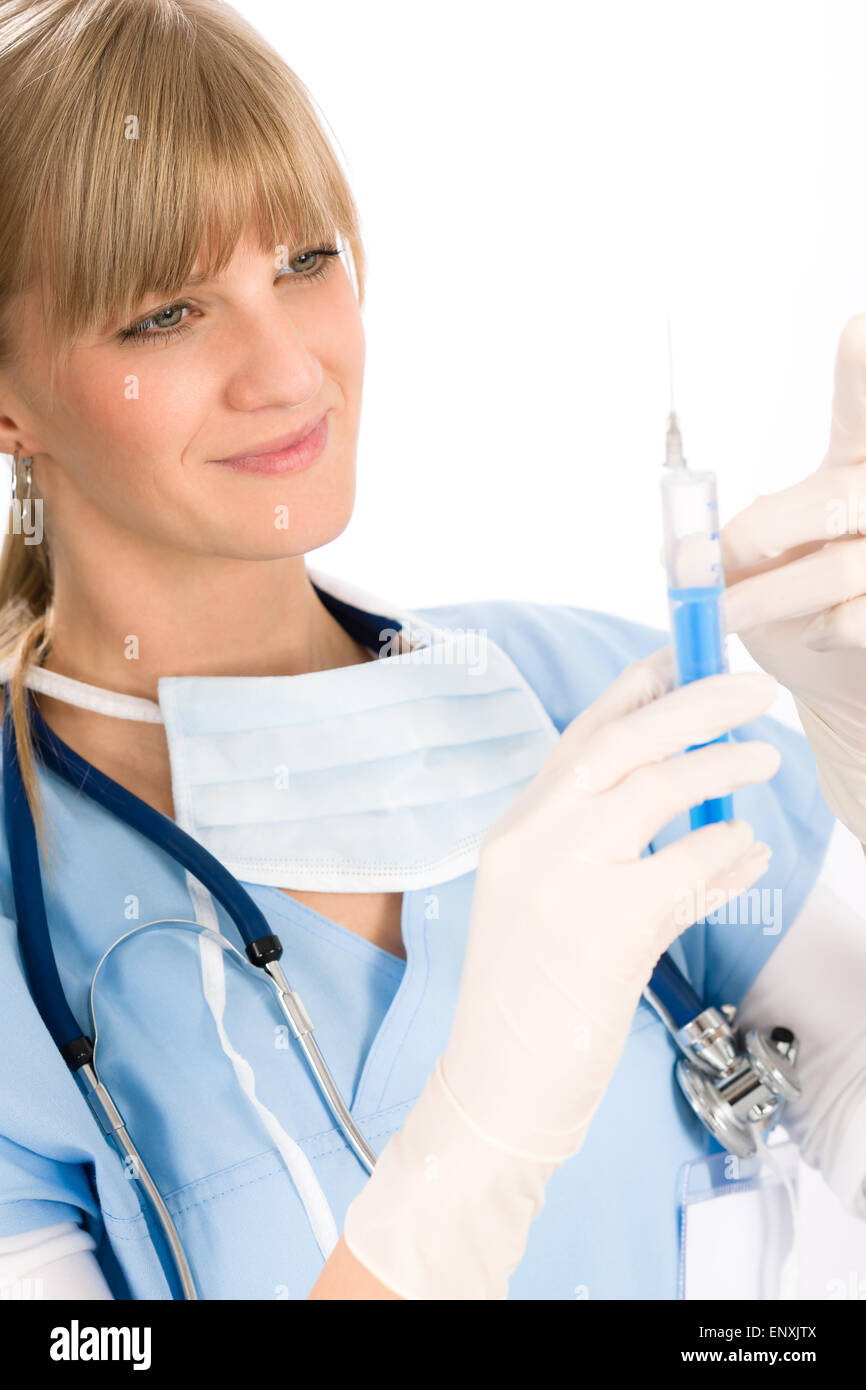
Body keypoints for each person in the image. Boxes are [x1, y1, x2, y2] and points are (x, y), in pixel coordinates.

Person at [0, 0, 863, 1302]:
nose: (287, 369)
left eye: (303, 259)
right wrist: (469, 1154)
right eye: (168, 313)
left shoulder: (589, 698)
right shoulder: (30, 933)